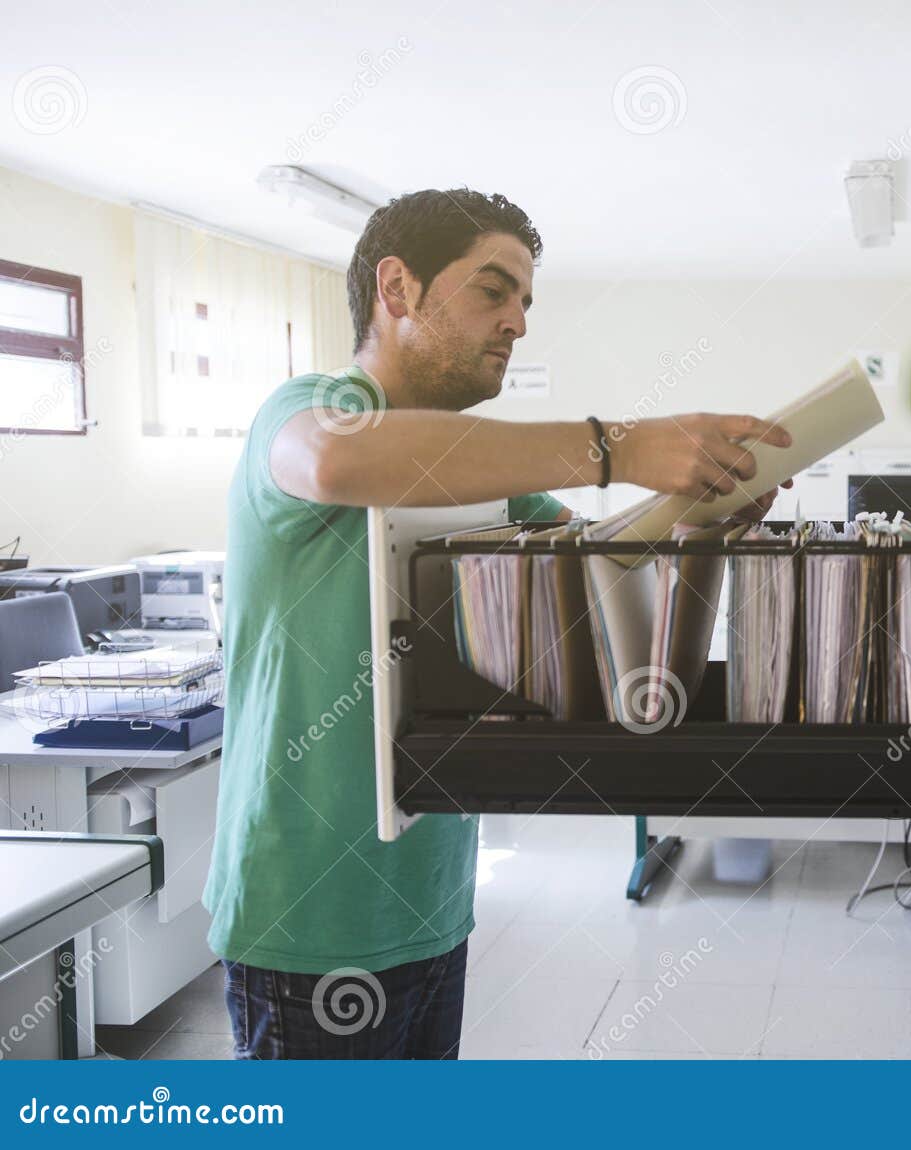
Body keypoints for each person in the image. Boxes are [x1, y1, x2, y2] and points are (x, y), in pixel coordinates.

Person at [202, 187, 789, 1058]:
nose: (518, 321)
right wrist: (613, 446)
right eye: (492, 290)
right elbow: (334, 458)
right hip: (308, 915)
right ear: (396, 288)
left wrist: (704, 514)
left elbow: (604, 563)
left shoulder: (485, 478)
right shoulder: (306, 409)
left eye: (524, 301)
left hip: (430, 899)